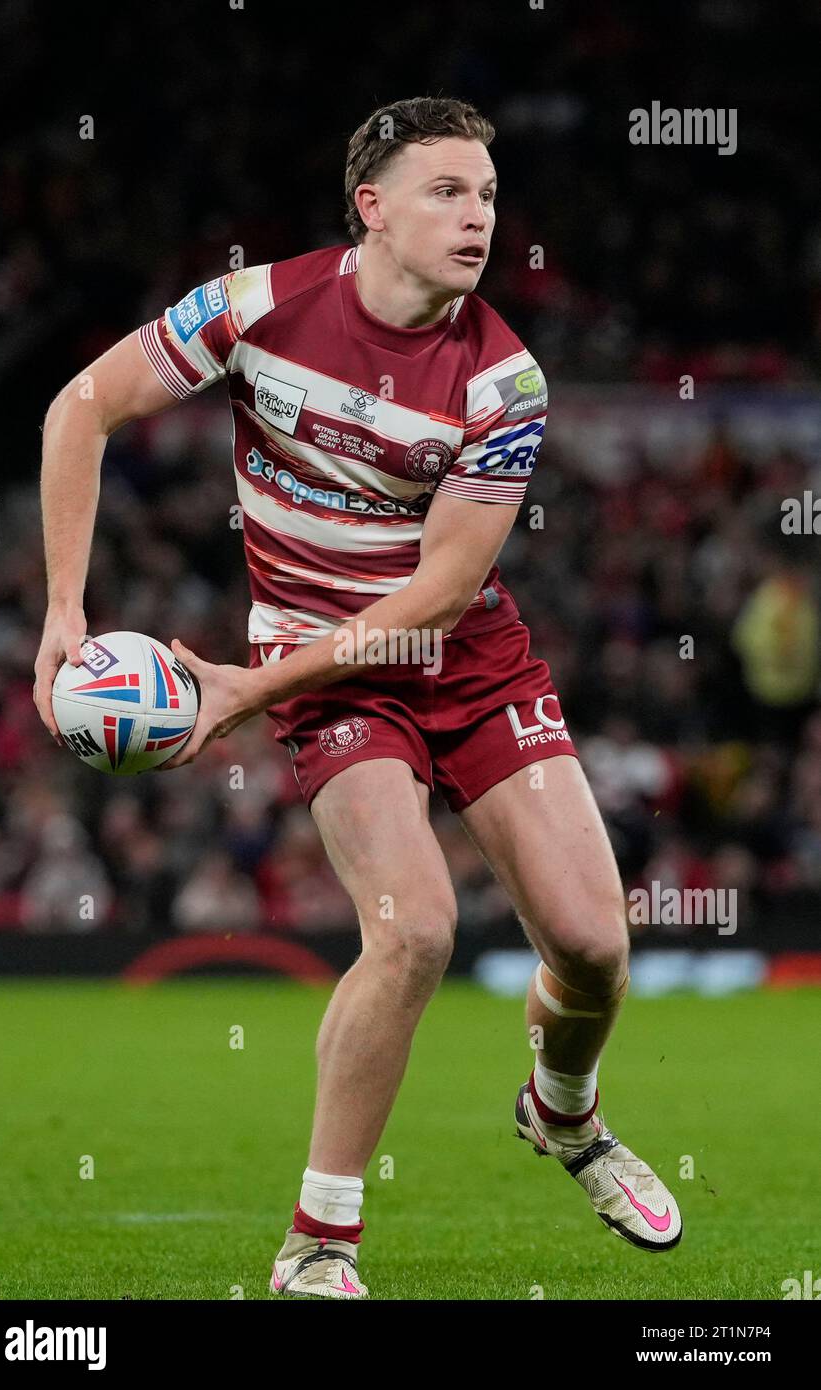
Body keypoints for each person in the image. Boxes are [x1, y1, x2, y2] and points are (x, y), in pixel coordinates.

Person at [34, 96, 681, 1300]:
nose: (478, 216)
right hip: (333, 681)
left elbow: (436, 599)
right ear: (370, 208)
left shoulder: (504, 380)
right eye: (448, 190)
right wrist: (64, 612)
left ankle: (564, 1114)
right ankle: (319, 1244)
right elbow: (80, 407)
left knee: (592, 946)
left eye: (488, 195)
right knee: (414, 928)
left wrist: (240, 689)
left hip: (464, 663)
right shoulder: (254, 308)